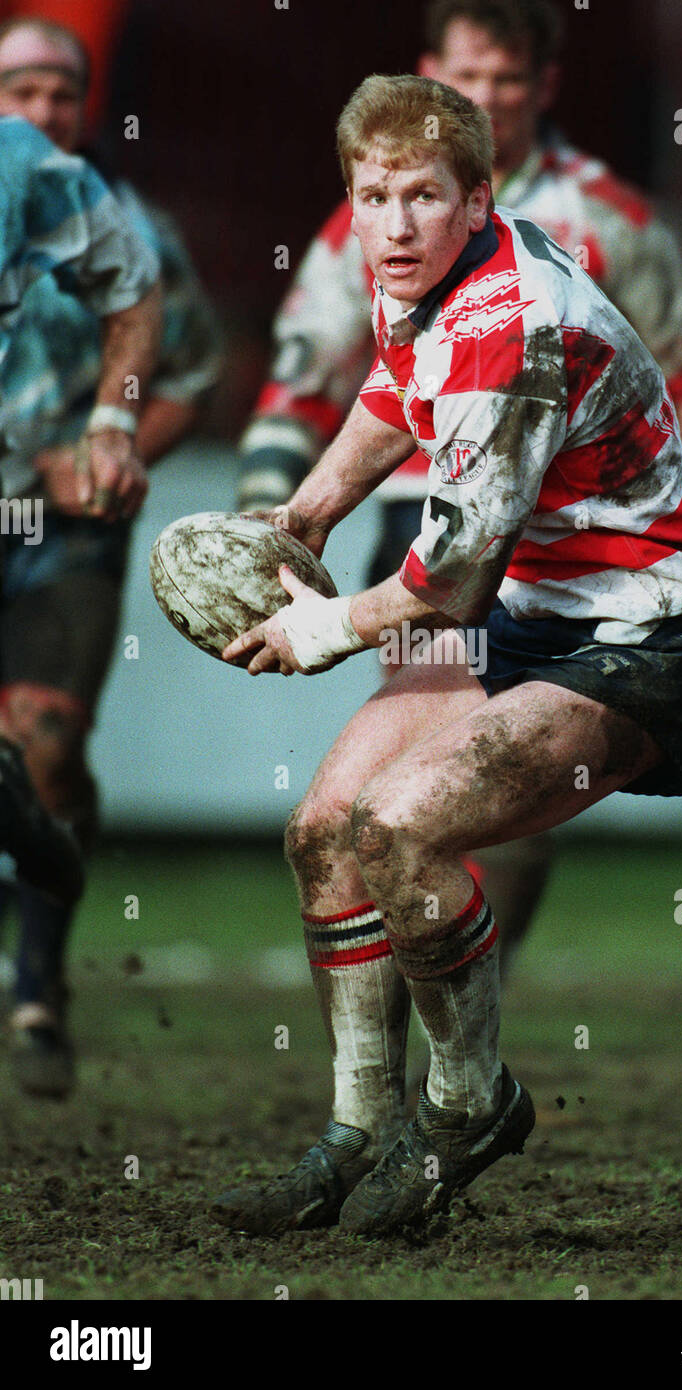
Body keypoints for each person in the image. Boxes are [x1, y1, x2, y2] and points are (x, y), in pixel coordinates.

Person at [210, 74, 682, 1238]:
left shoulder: (511, 329)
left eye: (421, 197)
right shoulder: (422, 268)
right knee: (323, 832)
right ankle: (353, 1134)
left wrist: (317, 625)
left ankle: (467, 1110)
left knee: (403, 827)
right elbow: (394, 391)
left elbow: (446, 579)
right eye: (374, 197)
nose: (393, 224)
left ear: (476, 198)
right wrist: (300, 518)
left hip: (638, 644)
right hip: (536, 621)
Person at [237, 0, 682, 982]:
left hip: (566, 566)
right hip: (428, 530)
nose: (489, 94)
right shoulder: (380, 225)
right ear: (433, 71)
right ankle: (397, 1069)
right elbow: (316, 378)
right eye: (470, 74)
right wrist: (285, 515)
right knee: (370, 807)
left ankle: (468, 1020)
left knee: (463, 806)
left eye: (509, 77)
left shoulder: (608, 222)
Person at [0, 17, 220, 1098]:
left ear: (86, 106)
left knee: (41, 744)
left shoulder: (127, 226)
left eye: (60, 91)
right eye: (20, 88)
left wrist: (112, 435)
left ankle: (36, 980)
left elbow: (185, 372)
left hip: (67, 533)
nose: (41, 109)